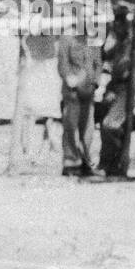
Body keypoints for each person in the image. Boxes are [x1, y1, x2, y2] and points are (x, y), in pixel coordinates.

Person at [57, 18, 100, 177]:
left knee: (88, 129)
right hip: (72, 92)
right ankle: (70, 162)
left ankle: (85, 160)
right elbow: (63, 64)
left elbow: (98, 64)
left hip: (88, 92)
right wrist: (70, 79)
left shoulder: (94, 40)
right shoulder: (67, 38)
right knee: (70, 126)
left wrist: (96, 82)